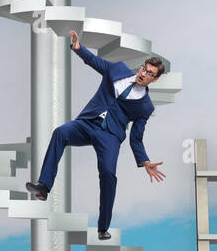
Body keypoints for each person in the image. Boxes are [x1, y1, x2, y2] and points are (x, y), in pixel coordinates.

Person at [25, 29, 165, 239]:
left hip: (110, 136)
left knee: (108, 174)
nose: (144, 73)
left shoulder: (145, 107)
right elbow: (95, 62)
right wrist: (78, 48)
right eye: (144, 68)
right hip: (87, 123)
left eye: (150, 73)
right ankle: (43, 186)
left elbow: (136, 137)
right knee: (60, 133)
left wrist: (145, 162)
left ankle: (103, 227)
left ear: (154, 80)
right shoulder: (118, 70)